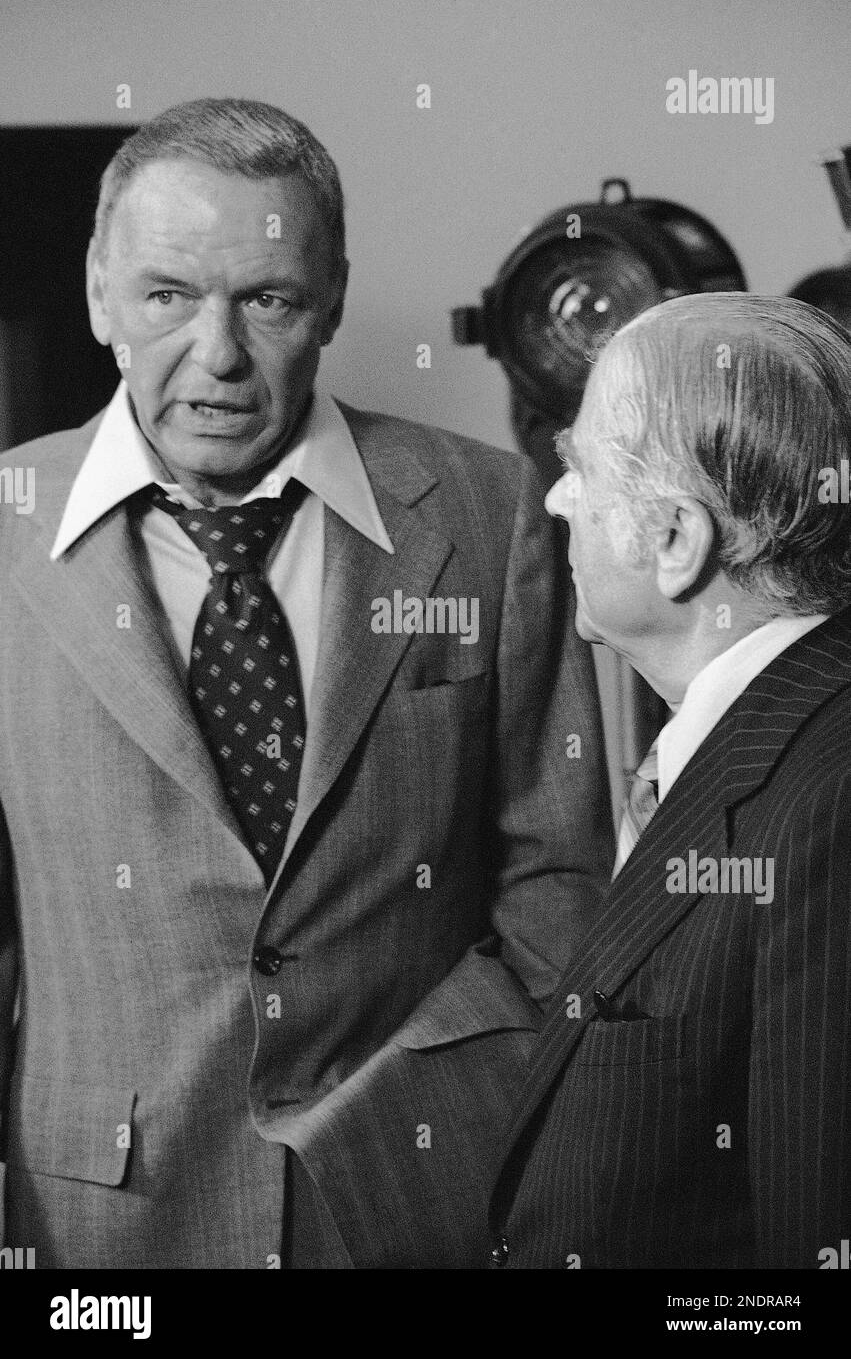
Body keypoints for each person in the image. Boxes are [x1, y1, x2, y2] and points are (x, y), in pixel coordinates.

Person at [0, 97, 612, 1269]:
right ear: (97, 294)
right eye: (168, 296)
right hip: (99, 1221)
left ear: (330, 294)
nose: (217, 355)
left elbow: (560, 872)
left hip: (421, 1192)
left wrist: (475, 1095)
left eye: (267, 299)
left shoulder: (487, 516)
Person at [488, 293, 851, 1269]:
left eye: (579, 469)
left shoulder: (826, 803)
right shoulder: (746, 742)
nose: (556, 498)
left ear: (675, 541)